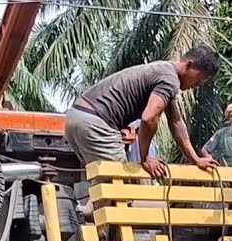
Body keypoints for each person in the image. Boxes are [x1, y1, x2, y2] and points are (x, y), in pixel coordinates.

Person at [65, 48, 221, 180]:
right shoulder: (169, 80)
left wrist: (195, 159)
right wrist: (144, 158)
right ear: (189, 66)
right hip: (96, 123)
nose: (198, 85)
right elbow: (149, 118)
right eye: (200, 79)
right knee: (118, 185)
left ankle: (88, 213)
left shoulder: (164, 71)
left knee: (103, 183)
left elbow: (176, 123)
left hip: (76, 117)